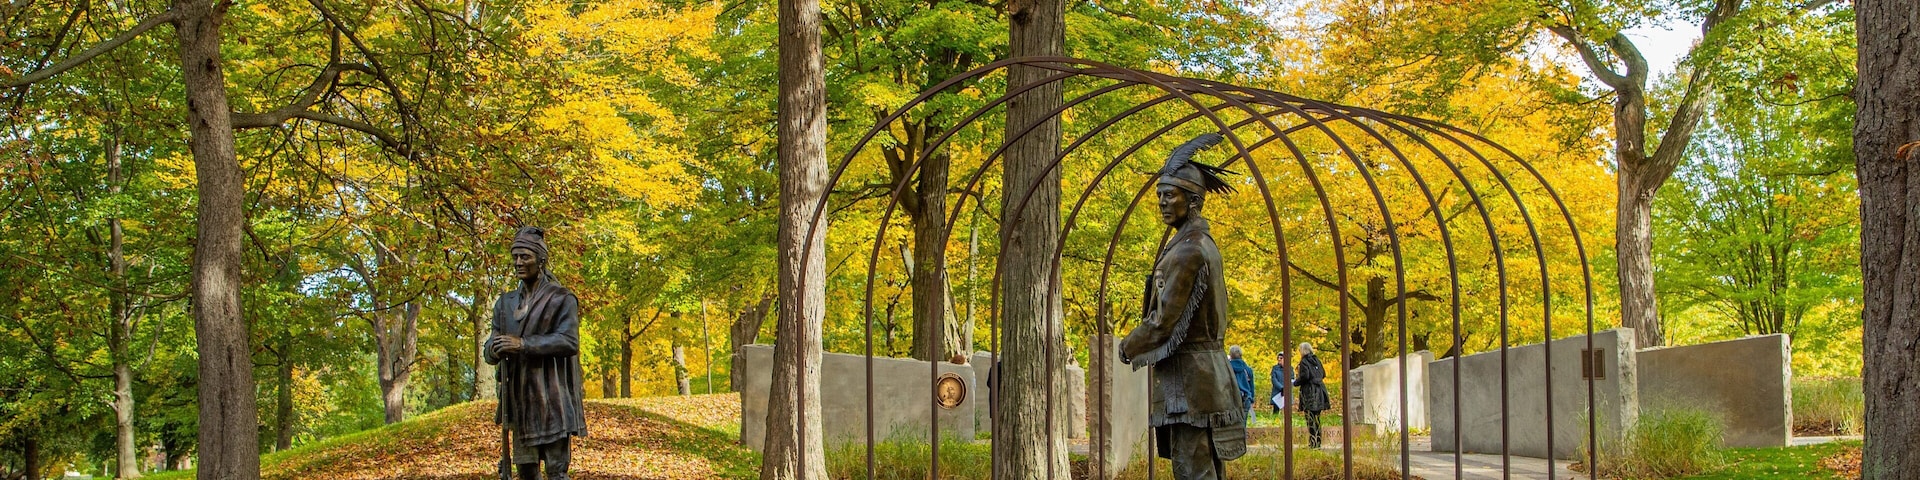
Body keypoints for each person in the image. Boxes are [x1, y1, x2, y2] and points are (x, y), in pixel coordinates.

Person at [1119, 133, 1245, 480]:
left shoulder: (1189, 250)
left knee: (1194, 472)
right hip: (1201, 380)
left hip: (1190, 385)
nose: (1161, 202)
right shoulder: (1196, 243)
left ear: (1192, 201)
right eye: (1159, 195)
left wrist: (1128, 346)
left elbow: (1163, 322)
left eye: (1169, 195)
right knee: (1202, 471)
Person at [485, 226, 587, 480]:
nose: (518, 263)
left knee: (556, 472)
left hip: (552, 399)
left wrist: (522, 345)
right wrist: (494, 349)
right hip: (519, 401)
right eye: (515, 257)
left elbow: (568, 341)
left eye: (525, 257)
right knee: (526, 473)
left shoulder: (561, 299)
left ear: (541, 260)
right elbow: (489, 348)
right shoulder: (505, 304)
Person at [1293, 342, 1331, 449]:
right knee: (1317, 419)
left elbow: (1305, 376)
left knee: (1310, 419)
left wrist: (1295, 382)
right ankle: (1317, 442)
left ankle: (1312, 443)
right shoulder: (1317, 360)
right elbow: (1323, 374)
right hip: (1320, 391)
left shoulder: (1304, 362)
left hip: (1310, 392)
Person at [1228, 346, 1256, 421]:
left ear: (1230, 355)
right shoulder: (1247, 369)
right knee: (1243, 423)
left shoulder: (1227, 369)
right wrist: (1252, 398)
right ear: (1241, 355)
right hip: (1246, 398)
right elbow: (1251, 386)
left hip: (1231, 399)